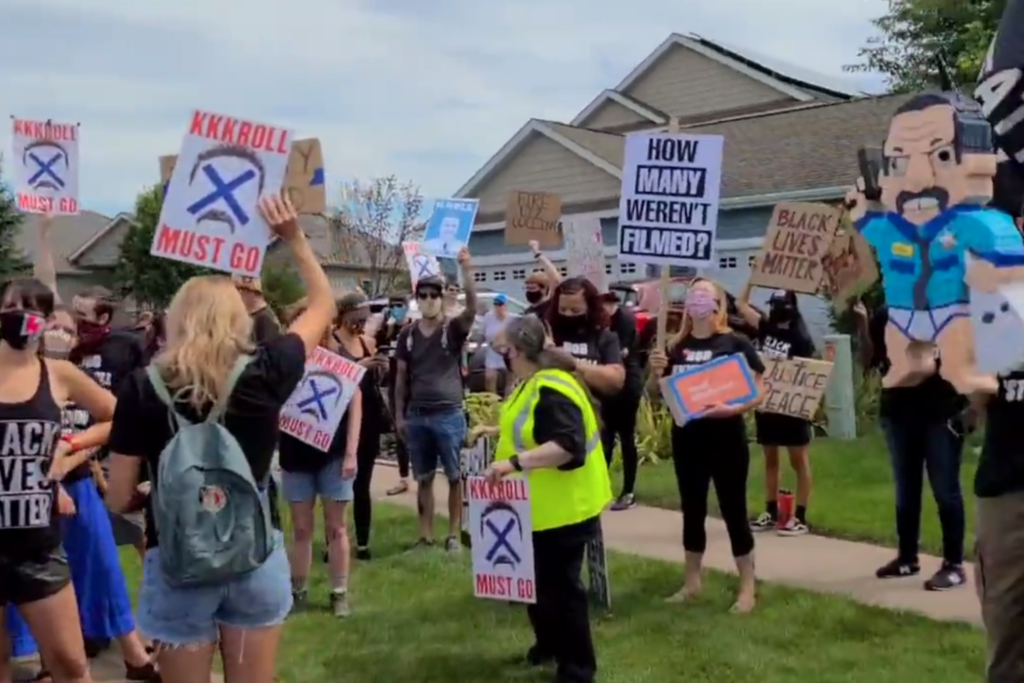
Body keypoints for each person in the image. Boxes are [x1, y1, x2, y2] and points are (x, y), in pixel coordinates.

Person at [104, 195, 335, 683]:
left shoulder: (142, 387)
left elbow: (119, 495)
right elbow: (322, 305)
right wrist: (293, 236)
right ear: (239, 318)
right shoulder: (267, 371)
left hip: (177, 559)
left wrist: (151, 489)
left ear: (175, 318)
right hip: (252, 554)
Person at [0, 277, 118, 683]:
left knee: (70, 662)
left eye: (31, 309)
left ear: (47, 320)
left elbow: (118, 417)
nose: (20, 316)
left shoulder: (58, 374)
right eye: (12, 306)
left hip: (38, 546)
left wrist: (70, 447)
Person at [482, 315, 611, 683]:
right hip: (539, 508)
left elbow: (567, 446)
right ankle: (549, 647)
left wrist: (513, 463)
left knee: (562, 593)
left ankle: (577, 670)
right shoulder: (532, 382)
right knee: (539, 587)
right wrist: (492, 430)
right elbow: (529, 428)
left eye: (503, 351)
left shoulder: (551, 387)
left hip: (564, 509)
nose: (501, 358)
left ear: (518, 351)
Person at [648, 278, 765, 612]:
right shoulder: (674, 346)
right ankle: (692, 582)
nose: (698, 300)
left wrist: (737, 407)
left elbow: (760, 384)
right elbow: (657, 395)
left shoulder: (735, 342)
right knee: (693, 510)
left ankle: (747, 589)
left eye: (705, 295)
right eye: (693, 295)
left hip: (726, 438)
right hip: (687, 440)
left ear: (718, 304)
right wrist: (655, 373)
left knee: (734, 510)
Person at [854, 300, 968, 590]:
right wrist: (863, 325)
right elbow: (868, 361)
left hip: (941, 413)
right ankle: (907, 558)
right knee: (906, 490)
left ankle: (954, 565)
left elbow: (930, 366)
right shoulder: (887, 314)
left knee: (945, 490)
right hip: (899, 414)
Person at [278, 297, 363, 617]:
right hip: (295, 455)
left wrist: (352, 453)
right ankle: (297, 590)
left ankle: (338, 592)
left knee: (336, 527)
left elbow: (356, 406)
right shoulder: (285, 362)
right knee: (300, 528)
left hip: (334, 455)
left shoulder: (338, 360)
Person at [394, 249, 477, 550]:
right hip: (418, 414)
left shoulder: (452, 329)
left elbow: (471, 311)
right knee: (424, 476)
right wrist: (400, 416)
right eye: (423, 295)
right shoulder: (408, 335)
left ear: (441, 297)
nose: (428, 300)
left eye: (433, 295)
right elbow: (401, 379)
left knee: (455, 476)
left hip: (448, 413)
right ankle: (425, 535)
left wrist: (466, 270)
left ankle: (453, 534)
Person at [736, 287, 817, 536]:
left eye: (781, 305)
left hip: (791, 406)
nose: (776, 309)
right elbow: (740, 303)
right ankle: (771, 512)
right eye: (774, 304)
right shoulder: (765, 327)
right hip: (768, 404)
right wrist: (754, 278)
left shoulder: (801, 339)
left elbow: (809, 373)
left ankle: (799, 515)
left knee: (798, 459)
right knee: (770, 458)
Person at [332, 293, 389, 561]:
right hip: (339, 421)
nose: (362, 320)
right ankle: (336, 540)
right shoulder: (331, 342)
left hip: (368, 420)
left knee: (362, 484)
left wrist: (378, 367)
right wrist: (359, 366)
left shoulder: (367, 342)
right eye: (358, 314)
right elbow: (329, 377)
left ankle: (363, 541)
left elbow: (373, 379)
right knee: (336, 486)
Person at [544, 278, 625, 406]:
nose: (568, 315)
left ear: (590, 309)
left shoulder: (604, 337)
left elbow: (615, 381)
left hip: (594, 414)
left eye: (575, 311)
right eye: (563, 309)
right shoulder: (547, 334)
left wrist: (572, 364)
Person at [600, 291, 642, 510]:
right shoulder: (599, 322)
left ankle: (628, 490)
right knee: (605, 438)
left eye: (607, 303)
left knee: (626, 438)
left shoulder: (624, 320)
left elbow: (622, 351)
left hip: (626, 383)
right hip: (607, 386)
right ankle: (601, 488)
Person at [376, 295, 414, 496]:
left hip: (415, 384)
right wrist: (389, 329)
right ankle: (403, 477)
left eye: (399, 305)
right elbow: (378, 347)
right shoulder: (386, 327)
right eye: (392, 306)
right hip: (394, 385)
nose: (396, 309)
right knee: (400, 429)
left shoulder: (414, 327)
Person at [482, 293, 513, 396]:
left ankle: (508, 403)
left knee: (510, 381)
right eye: (495, 304)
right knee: (489, 378)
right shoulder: (488, 317)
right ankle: (494, 403)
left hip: (508, 352)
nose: (498, 307)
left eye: (500, 304)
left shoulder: (513, 319)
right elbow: (483, 333)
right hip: (492, 352)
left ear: (505, 305)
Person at [523, 239, 564, 318]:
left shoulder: (550, 306)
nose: (529, 291)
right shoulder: (528, 312)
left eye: (532, 288)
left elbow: (555, 279)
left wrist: (537, 253)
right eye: (527, 288)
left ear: (544, 289)